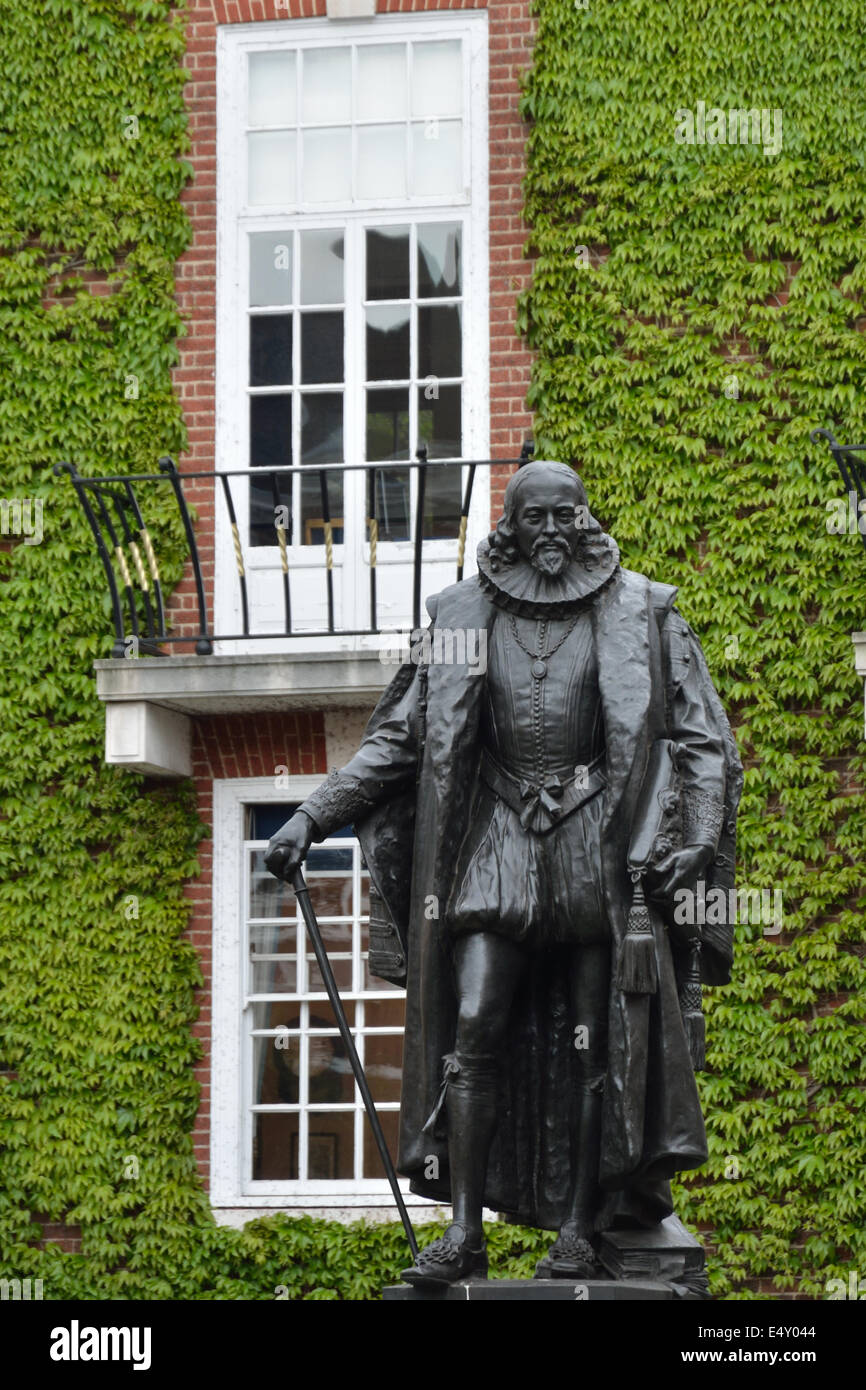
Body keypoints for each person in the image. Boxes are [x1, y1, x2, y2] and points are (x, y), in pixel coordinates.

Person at [265, 461, 742, 1288]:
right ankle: (463, 1230)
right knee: (476, 1020)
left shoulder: (644, 610)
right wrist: (312, 814)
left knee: (596, 1035)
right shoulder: (460, 613)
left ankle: (579, 1227)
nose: (551, 531)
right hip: (496, 842)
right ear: (511, 527)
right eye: (535, 517)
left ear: (585, 520)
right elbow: (400, 738)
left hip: (598, 843)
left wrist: (697, 838)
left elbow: (705, 742)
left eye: (566, 516)